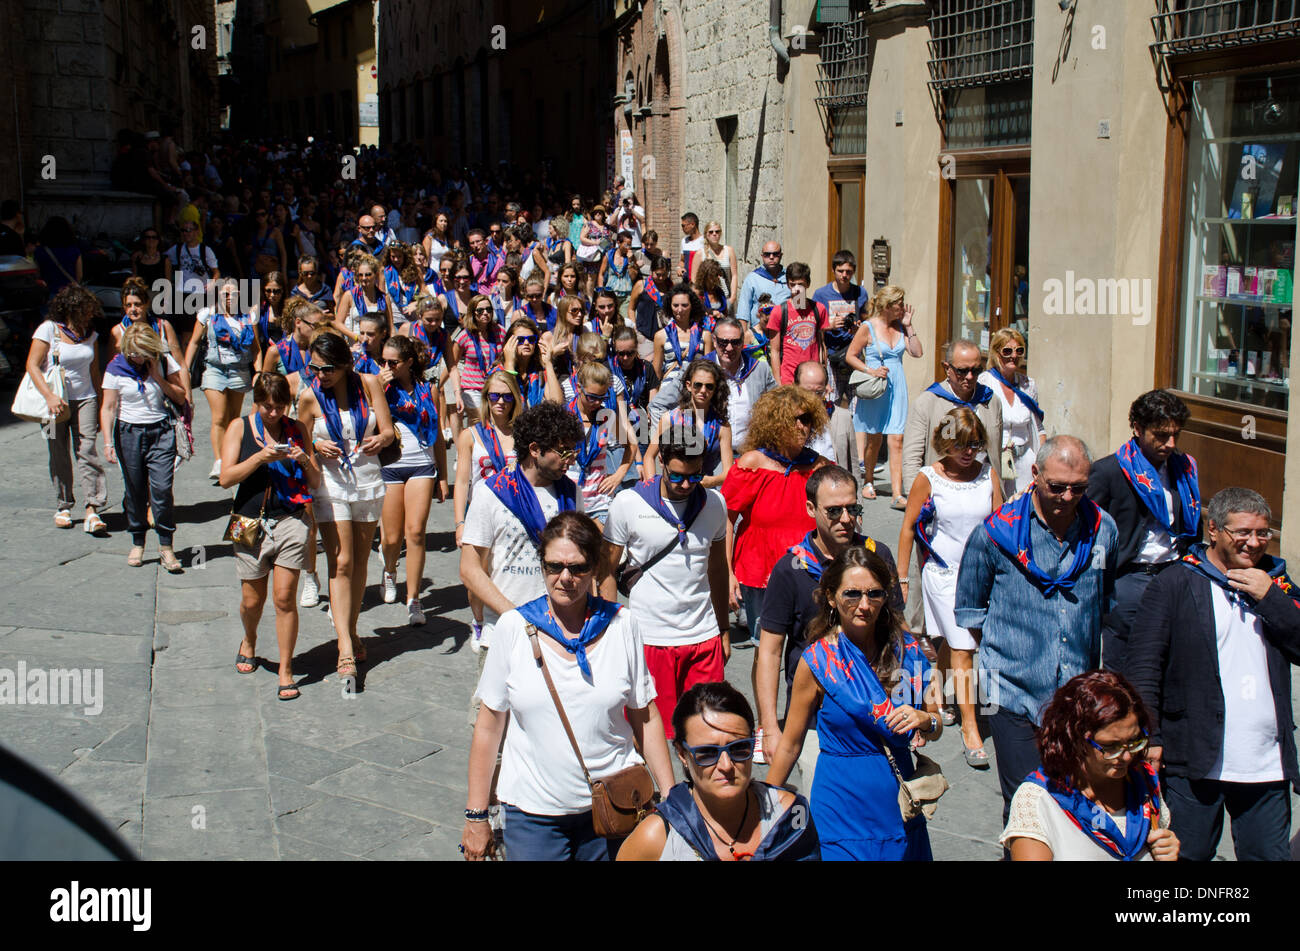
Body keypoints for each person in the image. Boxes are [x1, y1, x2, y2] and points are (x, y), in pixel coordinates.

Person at [462, 511, 676, 861]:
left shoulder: (623, 625)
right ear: (542, 565)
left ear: (594, 569)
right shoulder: (514, 628)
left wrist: (669, 796)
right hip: (533, 814)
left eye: (577, 568)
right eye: (553, 566)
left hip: (616, 806)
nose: (565, 578)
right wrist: (476, 815)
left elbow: (645, 715)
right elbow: (489, 726)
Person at [1125, 487, 1300, 862]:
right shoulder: (1175, 583)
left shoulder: (1277, 584)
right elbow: (1143, 665)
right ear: (1214, 530)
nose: (1253, 543)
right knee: (1187, 857)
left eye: (1262, 533)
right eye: (1243, 532)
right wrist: (1150, 735)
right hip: (1194, 759)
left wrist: (1271, 598)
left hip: (1265, 763)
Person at [953, 435, 1118, 825]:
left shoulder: (1103, 529)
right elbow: (971, 611)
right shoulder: (995, 535)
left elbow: (1105, 600)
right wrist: (1013, 651)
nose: (1066, 496)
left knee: (1070, 803)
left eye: (1078, 488)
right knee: (1027, 804)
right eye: (1056, 486)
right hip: (1013, 693)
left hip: (1076, 696)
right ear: (1034, 475)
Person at [766, 546, 943, 860]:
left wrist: (924, 719)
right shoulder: (819, 661)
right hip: (839, 810)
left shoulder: (910, 652)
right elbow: (791, 744)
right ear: (832, 598)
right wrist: (764, 806)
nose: (864, 605)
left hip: (899, 807)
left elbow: (936, 721)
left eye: (874, 594)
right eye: (852, 594)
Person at [755, 464, 904, 776]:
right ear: (811, 509)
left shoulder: (878, 557)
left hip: (876, 709)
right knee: (821, 809)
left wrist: (912, 702)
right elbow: (769, 652)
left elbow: (897, 631)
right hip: (813, 718)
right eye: (834, 511)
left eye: (853, 508)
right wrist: (769, 727)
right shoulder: (790, 569)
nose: (846, 519)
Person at [602, 432, 731, 737]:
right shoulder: (628, 503)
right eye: (676, 476)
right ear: (660, 461)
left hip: (703, 638)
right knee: (647, 736)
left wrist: (723, 628)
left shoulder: (715, 504)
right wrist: (611, 632)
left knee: (707, 733)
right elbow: (605, 571)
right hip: (649, 639)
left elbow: (717, 568)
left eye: (695, 476)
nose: (686, 484)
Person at [896, 408, 1002, 767]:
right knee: (963, 644)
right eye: (960, 444)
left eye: (974, 443)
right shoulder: (929, 478)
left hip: (980, 573)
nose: (968, 451)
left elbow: (1001, 523)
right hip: (941, 574)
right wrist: (903, 578)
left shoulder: (988, 474)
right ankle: (971, 727)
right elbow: (909, 526)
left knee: (951, 640)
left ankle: (933, 690)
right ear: (946, 442)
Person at [460, 401, 585, 691]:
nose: (570, 460)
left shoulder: (571, 492)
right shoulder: (491, 493)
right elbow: (469, 569)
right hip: (505, 632)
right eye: (563, 451)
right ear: (534, 449)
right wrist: (516, 617)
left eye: (573, 451)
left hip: (560, 632)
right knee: (493, 728)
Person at [617, 682, 820, 861]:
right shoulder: (656, 837)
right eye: (707, 753)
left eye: (739, 748)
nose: (726, 765)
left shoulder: (794, 813)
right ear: (681, 753)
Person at [296, 332, 396, 687]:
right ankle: (344, 647)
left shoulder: (369, 385)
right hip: (330, 485)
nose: (319, 375)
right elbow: (300, 445)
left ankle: (351, 630)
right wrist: (316, 444)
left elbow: (389, 432)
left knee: (359, 564)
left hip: (367, 480)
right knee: (339, 562)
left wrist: (380, 439)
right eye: (314, 368)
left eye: (326, 369)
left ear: (344, 366)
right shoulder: (309, 398)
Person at [218, 371, 322, 701]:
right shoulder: (239, 427)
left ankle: (286, 669)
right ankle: (249, 639)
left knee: (283, 598)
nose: (275, 414)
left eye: (280, 407)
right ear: (256, 402)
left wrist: (305, 459)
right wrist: (260, 457)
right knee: (252, 600)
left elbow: (316, 483)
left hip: (291, 518)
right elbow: (225, 479)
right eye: (268, 407)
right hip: (248, 520)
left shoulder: (297, 430)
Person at [1002, 671, 1178, 861]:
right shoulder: (1038, 801)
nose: (1126, 756)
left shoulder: (1144, 783)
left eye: (1134, 741)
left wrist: (1168, 854)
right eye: (1111, 746)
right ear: (1075, 740)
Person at [1089, 389, 1201, 672]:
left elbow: (1192, 521)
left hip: (1174, 573)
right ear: (1138, 429)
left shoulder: (1183, 468)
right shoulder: (1109, 472)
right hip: (1129, 578)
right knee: (1124, 665)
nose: (1170, 443)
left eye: (1176, 434)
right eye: (1161, 435)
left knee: (1171, 660)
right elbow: (1088, 532)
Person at [723, 386, 831, 647]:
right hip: (759, 572)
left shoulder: (821, 467)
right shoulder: (752, 463)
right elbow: (725, 520)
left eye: (805, 419)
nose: (800, 426)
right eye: (791, 419)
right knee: (765, 652)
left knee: (812, 650)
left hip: (810, 571)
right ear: (773, 423)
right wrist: (727, 573)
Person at [100, 323, 186, 571]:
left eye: (143, 352)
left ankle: (166, 546)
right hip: (129, 432)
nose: (138, 358)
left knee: (162, 489)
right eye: (134, 353)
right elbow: (108, 408)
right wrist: (107, 442)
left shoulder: (162, 362)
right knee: (135, 490)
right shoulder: (115, 367)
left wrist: (158, 377)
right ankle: (137, 540)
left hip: (161, 431)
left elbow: (181, 396)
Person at [378, 334, 449, 625]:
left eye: (392, 362)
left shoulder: (428, 390)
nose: (386, 366)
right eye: (383, 361)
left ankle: (414, 599)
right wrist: (378, 389)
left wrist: (443, 477)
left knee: (416, 532)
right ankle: (390, 570)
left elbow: (440, 437)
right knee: (391, 538)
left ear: (408, 363)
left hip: (422, 464)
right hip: (391, 465)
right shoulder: (379, 388)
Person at [455, 369, 522, 649]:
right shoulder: (470, 435)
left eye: (507, 396)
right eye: (494, 395)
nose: (500, 402)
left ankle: (505, 620)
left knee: (505, 571)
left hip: (514, 513)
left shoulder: (522, 433)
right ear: (485, 397)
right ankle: (479, 619)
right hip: (479, 513)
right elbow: (461, 481)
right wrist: (459, 522)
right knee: (477, 573)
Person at [847, 285, 924, 507]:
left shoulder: (901, 326)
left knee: (897, 438)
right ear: (888, 306)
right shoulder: (867, 327)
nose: (903, 307)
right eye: (900, 304)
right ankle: (869, 480)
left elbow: (917, 353)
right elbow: (851, 356)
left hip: (897, 386)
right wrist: (870, 371)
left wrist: (909, 327)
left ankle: (897, 494)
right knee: (874, 438)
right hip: (876, 384)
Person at [901, 339, 1002, 506]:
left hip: (982, 492)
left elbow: (994, 452)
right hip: (943, 496)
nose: (970, 377)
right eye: (962, 371)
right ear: (947, 368)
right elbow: (912, 457)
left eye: (976, 370)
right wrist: (918, 503)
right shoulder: (928, 402)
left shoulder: (991, 401)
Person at [183, 278, 262, 480]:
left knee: (234, 419)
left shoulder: (247, 317)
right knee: (219, 417)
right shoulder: (208, 315)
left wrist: (259, 372)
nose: (229, 298)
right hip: (214, 369)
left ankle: (231, 458)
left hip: (239, 370)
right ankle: (219, 461)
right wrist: (185, 369)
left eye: (233, 294)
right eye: (225, 294)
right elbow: (193, 342)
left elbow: (256, 349)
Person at [811, 250, 866, 471]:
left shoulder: (860, 293)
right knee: (831, 401)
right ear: (833, 270)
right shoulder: (821, 294)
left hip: (853, 352)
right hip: (832, 353)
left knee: (855, 404)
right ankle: (830, 450)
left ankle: (854, 456)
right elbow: (815, 324)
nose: (845, 275)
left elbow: (866, 320)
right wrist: (830, 325)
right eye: (841, 271)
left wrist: (858, 326)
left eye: (849, 272)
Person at [564, 360, 635, 526]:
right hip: (569, 499)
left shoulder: (607, 416)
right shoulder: (564, 415)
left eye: (601, 397)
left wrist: (618, 475)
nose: (596, 402)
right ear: (578, 387)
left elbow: (631, 445)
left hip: (599, 502)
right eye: (591, 397)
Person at [644, 358, 732, 488]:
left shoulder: (722, 426)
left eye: (709, 386)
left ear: (715, 389)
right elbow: (649, 457)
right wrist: (651, 487)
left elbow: (728, 473)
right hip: (672, 488)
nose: (703, 390)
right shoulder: (671, 419)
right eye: (698, 385)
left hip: (704, 490)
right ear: (688, 385)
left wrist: (710, 481)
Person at [980, 328, 1044, 497]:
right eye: (1007, 351)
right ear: (996, 353)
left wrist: (1044, 461)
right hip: (996, 461)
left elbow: (1038, 427)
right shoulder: (985, 383)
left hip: (1025, 460)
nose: (1013, 356)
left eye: (1019, 350)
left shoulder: (1028, 385)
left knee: (1024, 508)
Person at [112, 277, 187, 387]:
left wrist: (187, 396)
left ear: (147, 303)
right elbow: (113, 369)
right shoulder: (117, 331)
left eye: (137, 304)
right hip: (131, 393)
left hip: (163, 389)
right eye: (128, 305)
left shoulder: (163, 326)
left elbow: (180, 364)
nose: (133, 309)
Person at [450, 293, 505, 430]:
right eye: (480, 310)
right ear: (473, 313)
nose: (485, 313)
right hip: (472, 387)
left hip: (494, 386)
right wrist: (455, 392)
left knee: (491, 423)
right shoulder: (465, 335)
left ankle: (473, 448)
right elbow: (453, 364)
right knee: (481, 421)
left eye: (489, 310)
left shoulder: (500, 332)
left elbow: (506, 357)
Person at [764, 262, 824, 387]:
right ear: (788, 284)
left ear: (808, 284)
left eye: (800, 284)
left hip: (812, 377)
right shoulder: (779, 311)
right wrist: (778, 382)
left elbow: (821, 345)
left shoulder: (819, 309)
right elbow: (774, 350)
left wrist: (823, 373)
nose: (796, 289)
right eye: (792, 284)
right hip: (789, 378)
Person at [653, 284, 713, 383]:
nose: (680, 310)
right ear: (670, 306)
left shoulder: (705, 335)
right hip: (669, 390)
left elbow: (709, 369)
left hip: (695, 389)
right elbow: (656, 374)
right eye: (675, 305)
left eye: (684, 305)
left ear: (692, 306)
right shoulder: (661, 336)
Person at [335, 253, 392, 342]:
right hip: (356, 344)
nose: (364, 278)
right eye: (360, 275)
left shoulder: (384, 298)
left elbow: (390, 327)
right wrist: (356, 337)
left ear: (375, 275)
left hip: (377, 345)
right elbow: (338, 323)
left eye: (368, 274)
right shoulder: (350, 295)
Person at [736, 241, 789, 331]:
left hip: (785, 332)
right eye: (767, 254)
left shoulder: (790, 277)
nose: (771, 257)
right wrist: (744, 338)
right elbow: (743, 314)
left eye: (775, 254)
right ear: (762, 256)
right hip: (761, 334)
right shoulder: (752, 279)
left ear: (781, 255)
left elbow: (801, 306)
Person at [793, 361, 836, 461]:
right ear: (795, 386)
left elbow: (852, 465)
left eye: (818, 392)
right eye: (807, 392)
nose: (812, 398)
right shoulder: (782, 417)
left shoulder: (840, 417)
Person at [34, 217, 83, 299]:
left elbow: (36, 275)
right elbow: (79, 276)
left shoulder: (40, 251)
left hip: (48, 295)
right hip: (70, 296)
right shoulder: (74, 250)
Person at [690, 222, 739, 304]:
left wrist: (733, 296)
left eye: (717, 231)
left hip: (727, 296)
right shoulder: (700, 254)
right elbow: (694, 279)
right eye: (711, 232)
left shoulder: (729, 250)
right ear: (706, 234)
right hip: (708, 299)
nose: (714, 234)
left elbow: (734, 275)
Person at [290, 254, 336, 319]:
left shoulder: (325, 290)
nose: (309, 276)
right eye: (305, 273)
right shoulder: (295, 293)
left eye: (312, 273)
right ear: (300, 273)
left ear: (316, 272)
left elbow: (333, 315)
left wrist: (323, 316)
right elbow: (292, 317)